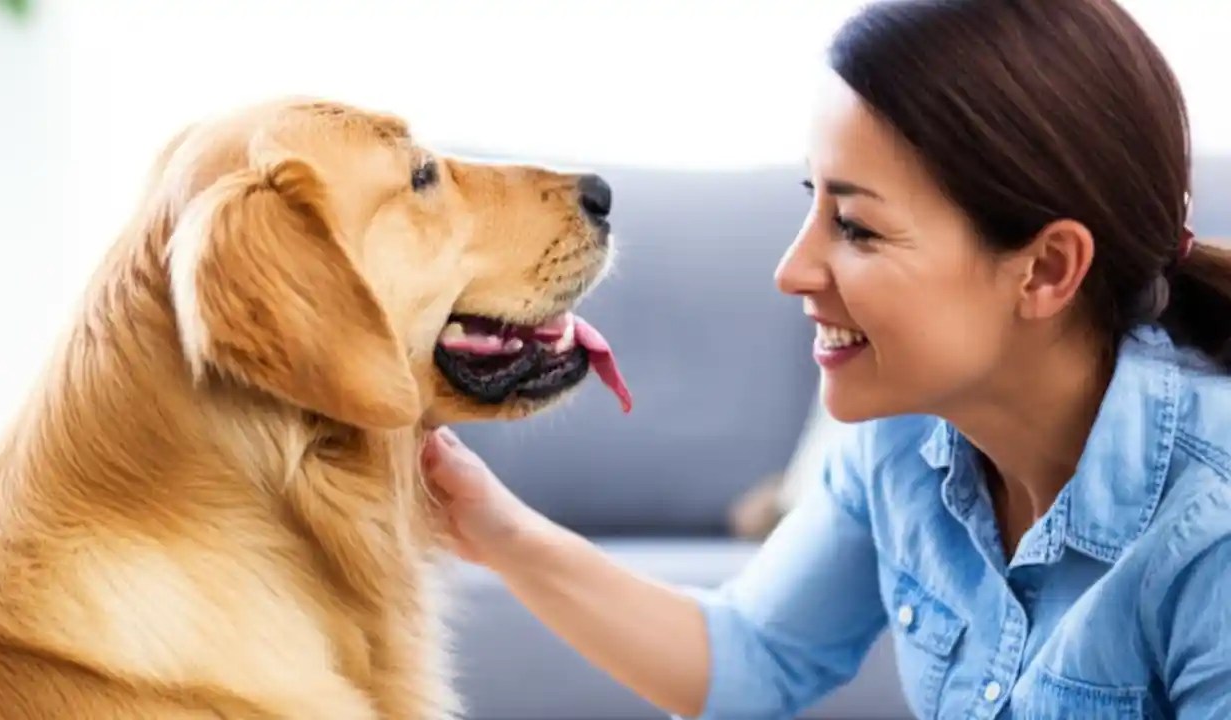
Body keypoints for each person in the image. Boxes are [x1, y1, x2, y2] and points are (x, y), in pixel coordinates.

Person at [420, 1, 1231, 717]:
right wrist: (491, 525)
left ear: (1047, 269)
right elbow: (752, 660)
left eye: (858, 228)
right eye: (813, 204)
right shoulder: (904, 442)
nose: (790, 272)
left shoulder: (1211, 528)